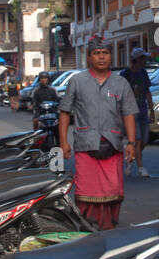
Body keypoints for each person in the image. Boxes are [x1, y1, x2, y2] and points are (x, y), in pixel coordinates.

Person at [57, 36, 138, 230]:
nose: (101, 57)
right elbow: (64, 112)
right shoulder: (77, 81)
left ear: (111, 56)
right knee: (85, 190)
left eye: (105, 53)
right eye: (97, 53)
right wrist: (63, 142)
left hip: (113, 145)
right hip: (86, 146)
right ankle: (86, 226)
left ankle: (109, 226)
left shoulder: (121, 83)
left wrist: (132, 143)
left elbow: (128, 114)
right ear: (89, 57)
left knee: (113, 190)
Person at [121, 47, 154, 177]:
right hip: (130, 112)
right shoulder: (125, 74)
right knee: (138, 139)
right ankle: (141, 168)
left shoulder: (143, 73)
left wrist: (152, 110)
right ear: (137, 59)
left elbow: (147, 92)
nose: (145, 60)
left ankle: (131, 157)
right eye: (143, 58)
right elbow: (119, 94)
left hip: (143, 109)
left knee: (145, 140)